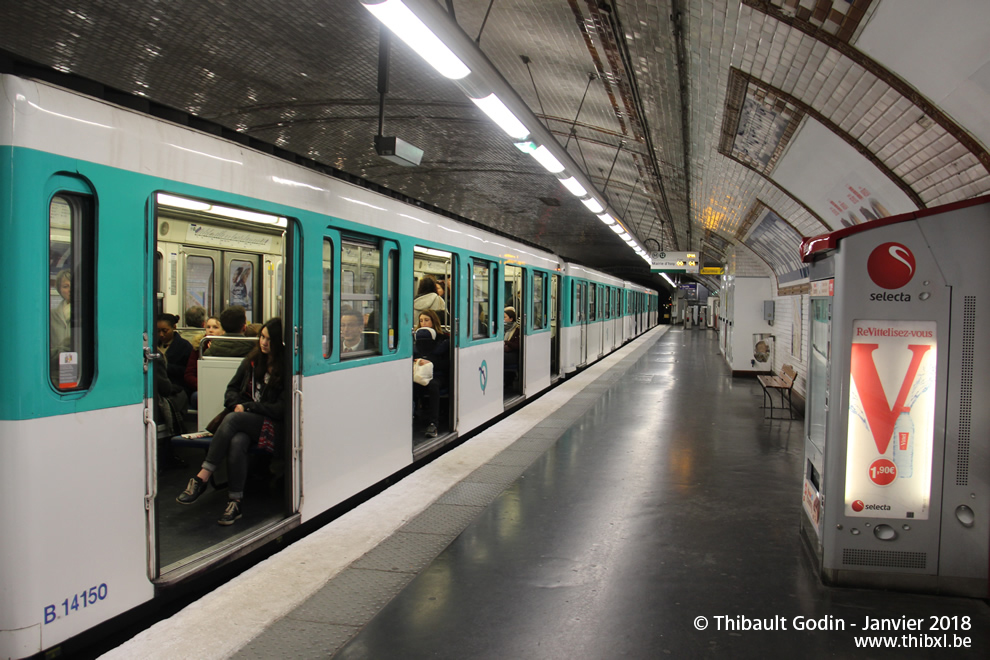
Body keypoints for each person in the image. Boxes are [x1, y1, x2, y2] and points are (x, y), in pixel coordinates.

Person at [176, 318, 286, 526]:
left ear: (279, 342)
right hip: (248, 422)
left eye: (269, 340)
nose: (263, 343)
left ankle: (202, 477)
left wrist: (248, 407)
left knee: (235, 419)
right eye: (262, 337)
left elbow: (281, 409)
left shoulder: (286, 368)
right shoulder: (252, 362)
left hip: (274, 426)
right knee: (238, 441)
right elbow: (232, 390)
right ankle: (235, 502)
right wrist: (238, 403)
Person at [413, 310, 449, 438]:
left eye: (427, 320)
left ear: (434, 322)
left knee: (433, 385)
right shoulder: (414, 340)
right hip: (418, 373)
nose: (423, 323)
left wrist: (430, 362)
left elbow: (447, 363)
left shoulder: (444, 339)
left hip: (437, 375)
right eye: (421, 320)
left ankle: (433, 423)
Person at [184, 315, 224, 397]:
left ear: (223, 331)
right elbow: (189, 375)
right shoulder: (199, 346)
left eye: (215, 327)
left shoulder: (228, 346)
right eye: (208, 327)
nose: (210, 330)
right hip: (202, 386)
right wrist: (203, 385)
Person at [157, 313, 193, 394]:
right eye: (158, 331)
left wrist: (164, 366)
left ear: (174, 327)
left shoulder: (184, 346)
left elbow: (187, 371)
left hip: (177, 387)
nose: (161, 334)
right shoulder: (154, 345)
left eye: (165, 331)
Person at [50, 269, 72, 361]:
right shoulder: (51, 316)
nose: (70, 290)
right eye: (65, 286)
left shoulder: (89, 313)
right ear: (59, 289)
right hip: (55, 370)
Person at [503, 307, 520, 388]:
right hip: (506, 351)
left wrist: (506, 343)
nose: (502, 319)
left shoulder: (517, 330)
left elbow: (516, 346)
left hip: (512, 354)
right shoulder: (503, 329)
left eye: (504, 317)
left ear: (511, 319)